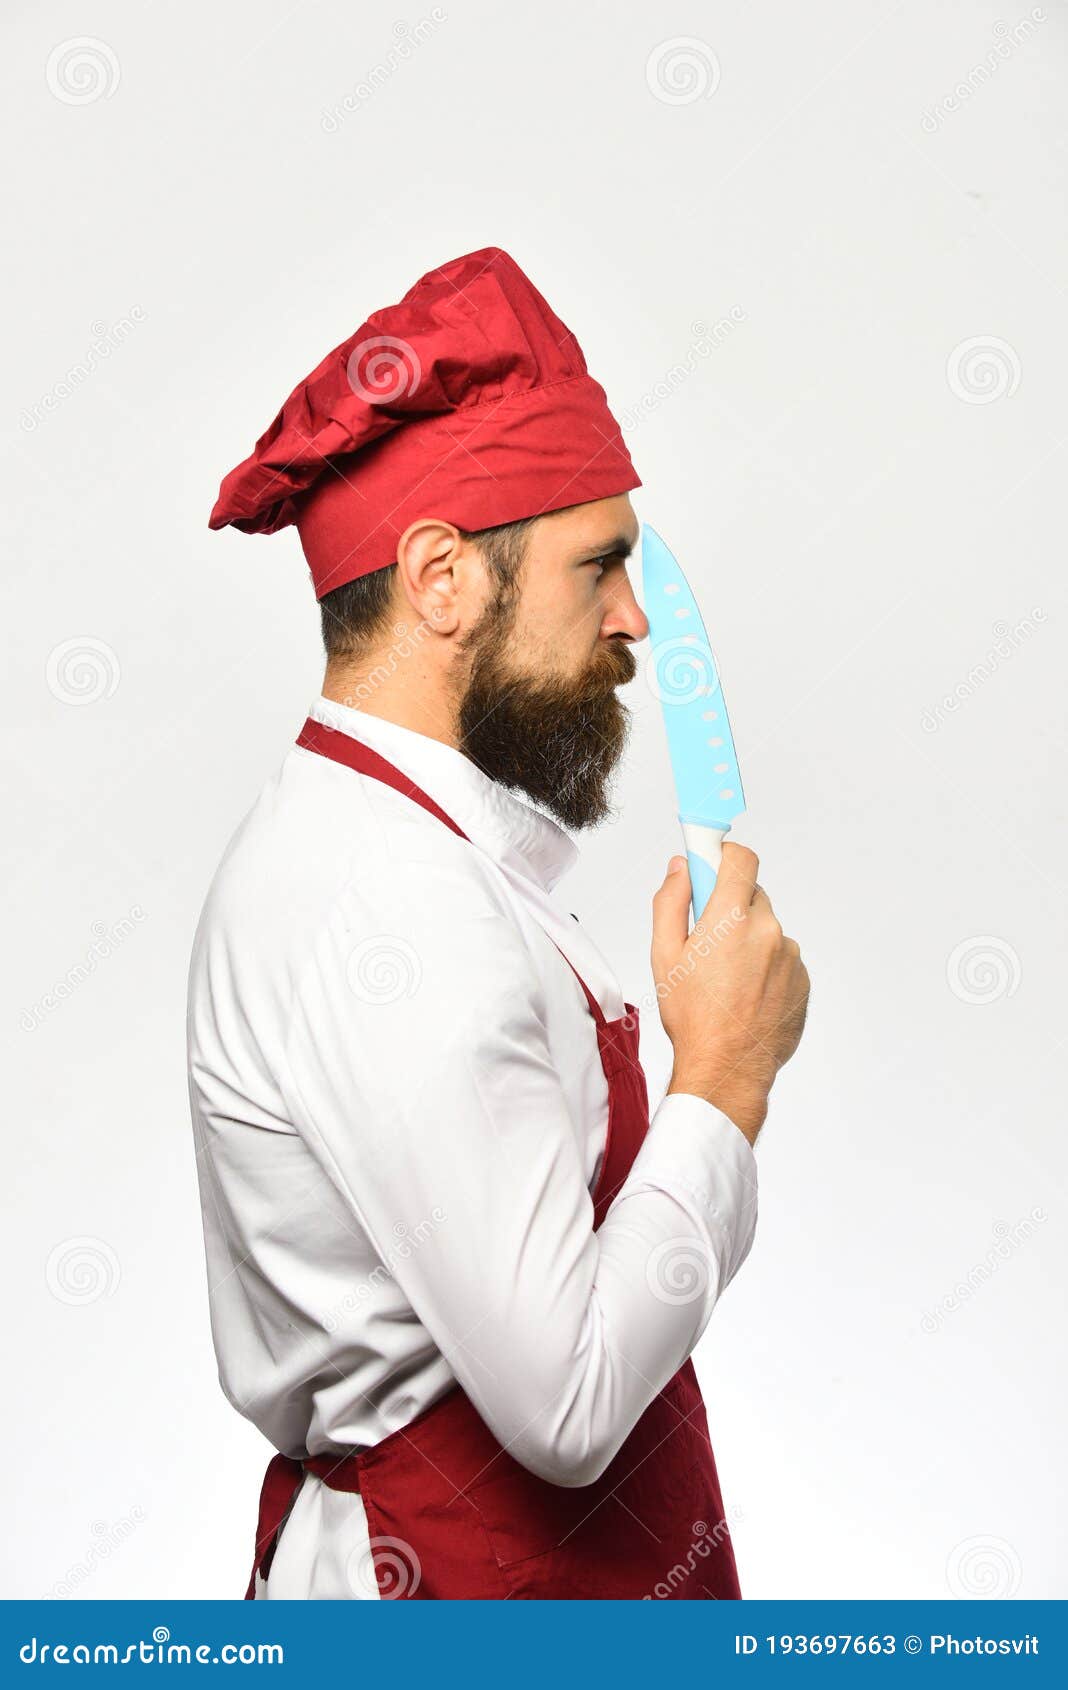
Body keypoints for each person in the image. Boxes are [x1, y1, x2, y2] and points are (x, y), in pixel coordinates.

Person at [189, 246, 809, 1600]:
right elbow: (572, 1403)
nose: (633, 616)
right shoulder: (388, 900)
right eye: (601, 564)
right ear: (441, 579)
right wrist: (725, 1077)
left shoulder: (407, 848)